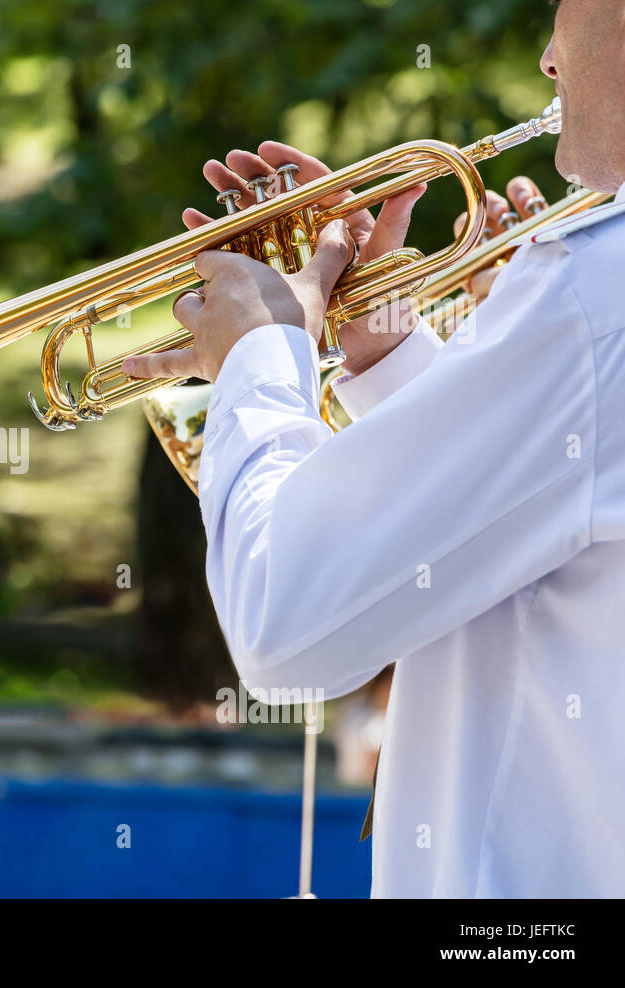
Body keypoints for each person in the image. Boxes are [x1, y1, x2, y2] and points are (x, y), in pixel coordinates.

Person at [122, 0, 625, 897]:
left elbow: (284, 632)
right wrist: (381, 345)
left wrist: (262, 353)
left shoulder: (596, 286)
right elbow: (534, 513)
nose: (550, 59)